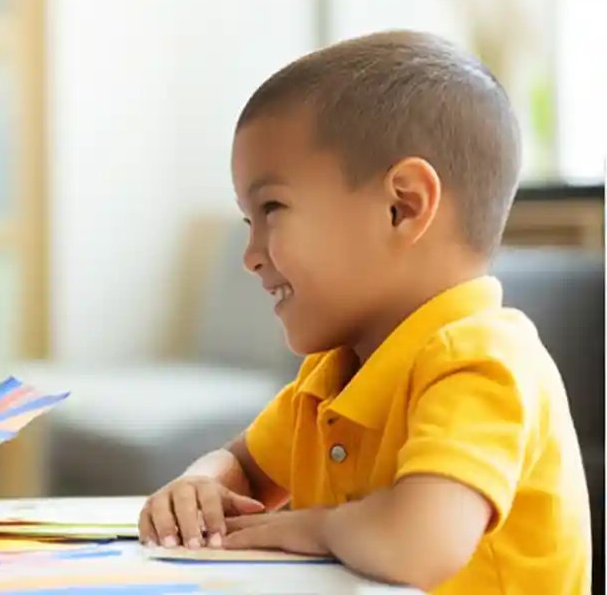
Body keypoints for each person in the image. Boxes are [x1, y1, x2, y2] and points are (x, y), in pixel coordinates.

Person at [139, 31, 591, 594]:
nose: (250, 256)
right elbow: (244, 468)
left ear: (402, 206)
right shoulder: (332, 376)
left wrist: (313, 526)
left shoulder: (482, 362)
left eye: (272, 208)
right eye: (248, 221)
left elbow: (419, 545)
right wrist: (201, 484)